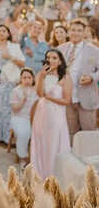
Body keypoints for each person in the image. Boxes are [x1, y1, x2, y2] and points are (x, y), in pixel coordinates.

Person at [30, 50, 72, 179]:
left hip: (56, 115)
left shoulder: (65, 77)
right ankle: (40, 174)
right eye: (48, 57)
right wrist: (42, 77)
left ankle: (54, 175)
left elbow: (66, 100)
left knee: (54, 143)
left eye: (54, 58)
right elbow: (39, 93)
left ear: (60, 61)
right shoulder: (41, 74)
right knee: (40, 141)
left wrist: (49, 98)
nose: (51, 60)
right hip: (41, 113)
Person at [57, 20, 99, 139]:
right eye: (73, 30)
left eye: (79, 30)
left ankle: (90, 157)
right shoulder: (61, 48)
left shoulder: (93, 50)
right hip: (67, 97)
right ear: (69, 32)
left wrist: (92, 77)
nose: (76, 33)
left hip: (86, 96)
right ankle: (72, 156)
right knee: (70, 132)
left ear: (84, 32)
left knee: (89, 133)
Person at [10, 68, 38, 167]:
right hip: (19, 117)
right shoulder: (16, 91)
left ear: (33, 79)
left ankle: (37, 158)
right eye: (24, 77)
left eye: (29, 77)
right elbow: (15, 109)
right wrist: (24, 99)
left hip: (34, 118)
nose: (27, 80)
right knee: (23, 132)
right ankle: (23, 158)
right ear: (21, 79)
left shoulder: (36, 91)